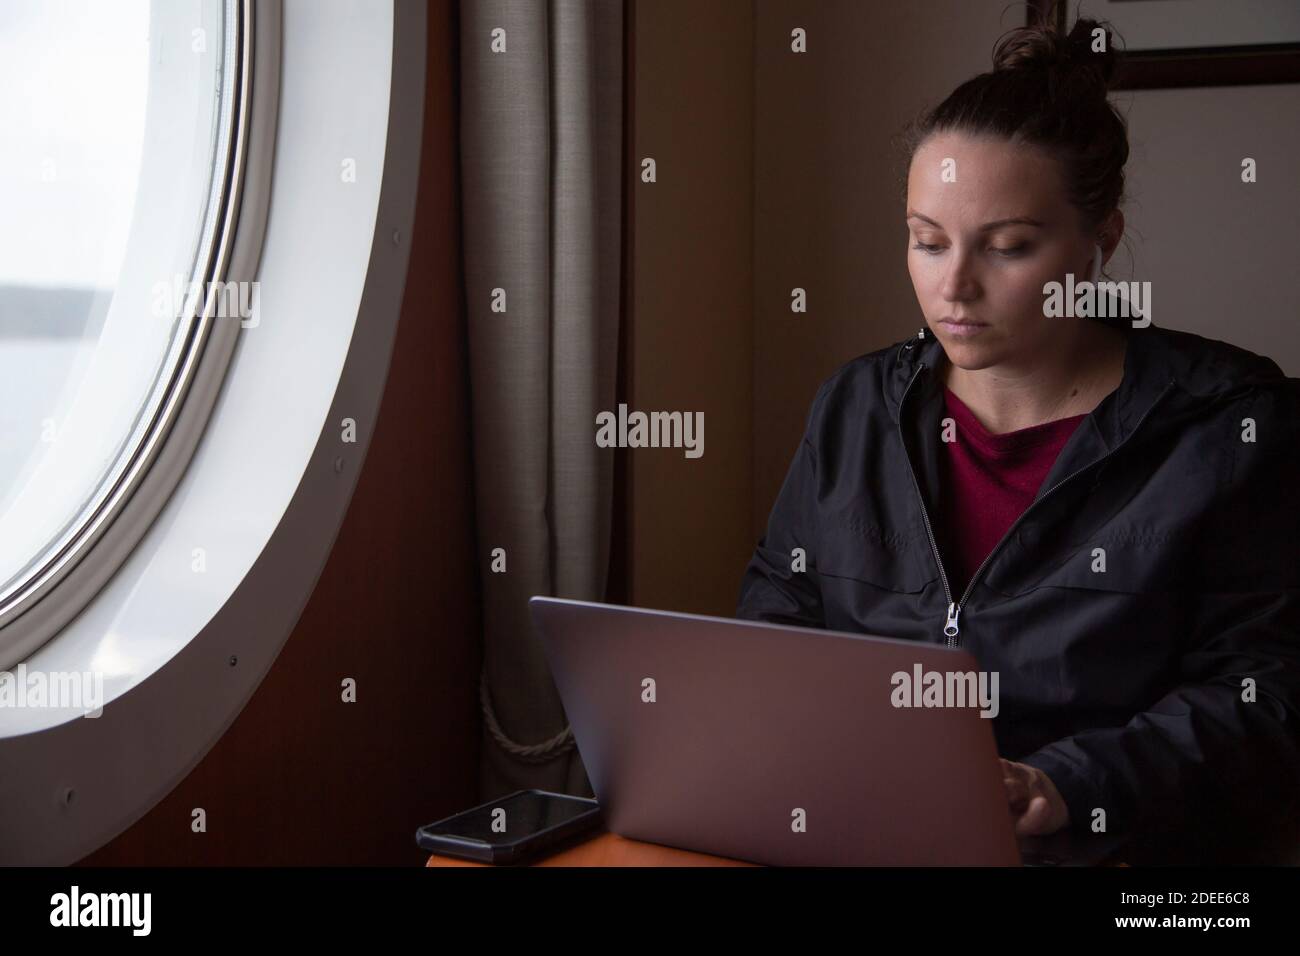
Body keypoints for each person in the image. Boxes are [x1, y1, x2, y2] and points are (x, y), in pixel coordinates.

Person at [735, 11, 1300, 865]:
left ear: (1098, 239)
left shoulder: (1227, 425)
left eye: (1006, 247)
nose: (953, 285)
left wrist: (1068, 783)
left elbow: (1267, 695)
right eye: (927, 242)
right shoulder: (855, 406)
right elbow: (781, 614)